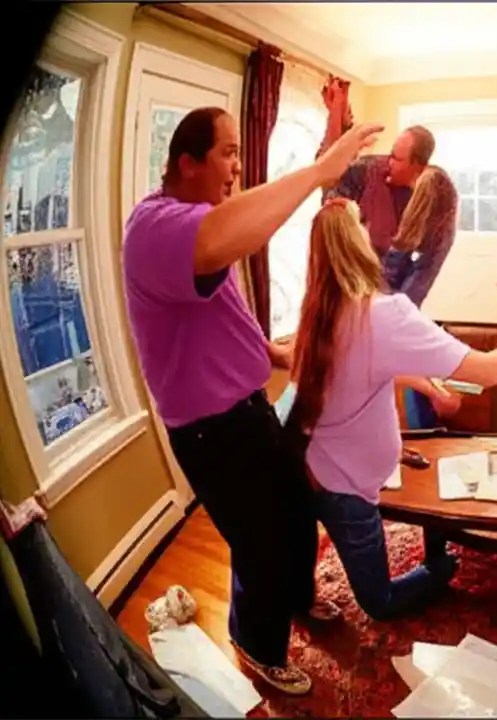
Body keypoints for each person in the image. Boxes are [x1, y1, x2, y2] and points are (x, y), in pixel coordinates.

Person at [121, 106, 382, 694]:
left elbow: (222, 315)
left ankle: (296, 597)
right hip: (212, 431)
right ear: (187, 162)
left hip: (249, 408)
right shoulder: (155, 228)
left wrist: (274, 353)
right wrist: (319, 172)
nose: (237, 167)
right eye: (228, 152)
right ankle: (256, 644)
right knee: (260, 543)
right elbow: (225, 236)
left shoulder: (198, 222)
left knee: (297, 513)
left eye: (239, 152)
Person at [287, 198, 497, 622]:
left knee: (302, 557)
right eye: (364, 222)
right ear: (357, 242)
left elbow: (362, 366)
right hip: (344, 487)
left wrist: (424, 383)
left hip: (308, 465)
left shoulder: (320, 310)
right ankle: (446, 565)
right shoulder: (384, 314)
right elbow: (486, 371)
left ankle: (301, 596)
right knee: (380, 603)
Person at [317, 86, 460, 426]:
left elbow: (423, 273)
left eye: (397, 159)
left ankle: (423, 423)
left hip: (397, 278)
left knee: (398, 336)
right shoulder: (370, 171)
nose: (388, 163)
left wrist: (394, 314)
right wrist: (336, 119)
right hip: (353, 279)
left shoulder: (438, 200)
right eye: (390, 154)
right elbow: (327, 178)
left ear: (418, 165)